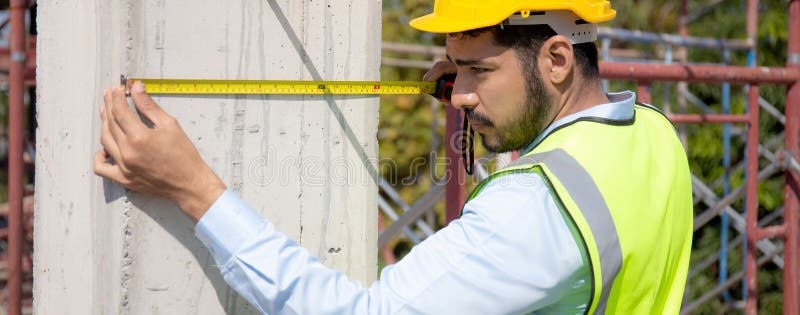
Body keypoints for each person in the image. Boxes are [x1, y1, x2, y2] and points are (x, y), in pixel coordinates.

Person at [94, 0, 693, 313]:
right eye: (455, 69)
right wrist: (482, 93)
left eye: (480, 69)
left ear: (557, 60)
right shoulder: (649, 132)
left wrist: (194, 190)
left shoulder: (534, 209)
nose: (457, 92)